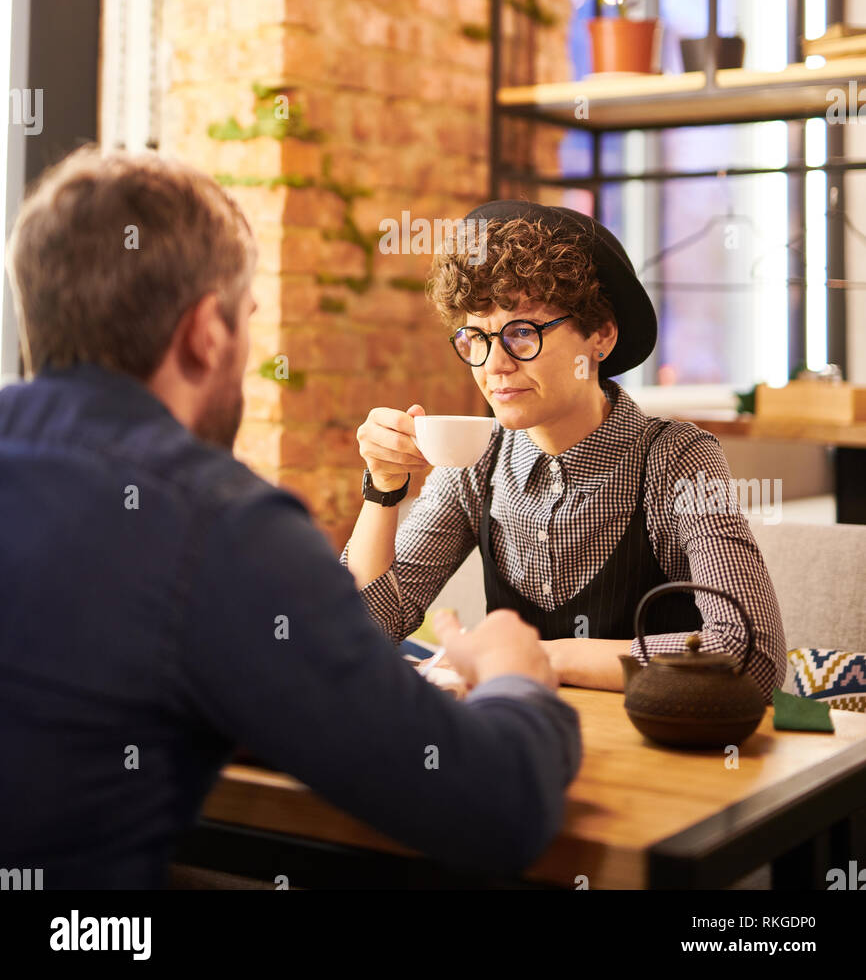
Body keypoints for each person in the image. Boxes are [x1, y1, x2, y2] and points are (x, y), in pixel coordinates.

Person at [0, 152, 580, 889]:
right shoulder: (220, 529)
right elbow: (495, 809)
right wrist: (517, 681)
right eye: (246, 322)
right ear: (207, 332)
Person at [344, 199, 787, 701]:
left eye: (521, 333)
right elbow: (359, 632)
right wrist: (382, 489)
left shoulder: (676, 459)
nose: (495, 366)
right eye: (476, 337)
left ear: (600, 336)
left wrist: (539, 658)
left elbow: (751, 654)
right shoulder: (479, 462)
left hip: (653, 754)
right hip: (518, 750)